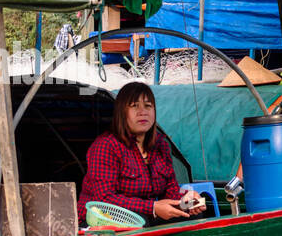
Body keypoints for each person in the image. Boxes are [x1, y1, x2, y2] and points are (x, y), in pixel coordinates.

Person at [78, 81, 203, 224]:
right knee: (139, 220)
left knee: (191, 215)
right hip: (101, 220)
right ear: (121, 112)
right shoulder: (106, 146)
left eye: (148, 106)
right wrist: (153, 207)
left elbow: (171, 190)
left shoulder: (161, 145)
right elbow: (104, 198)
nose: (143, 112)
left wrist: (188, 199)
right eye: (134, 106)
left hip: (144, 217)